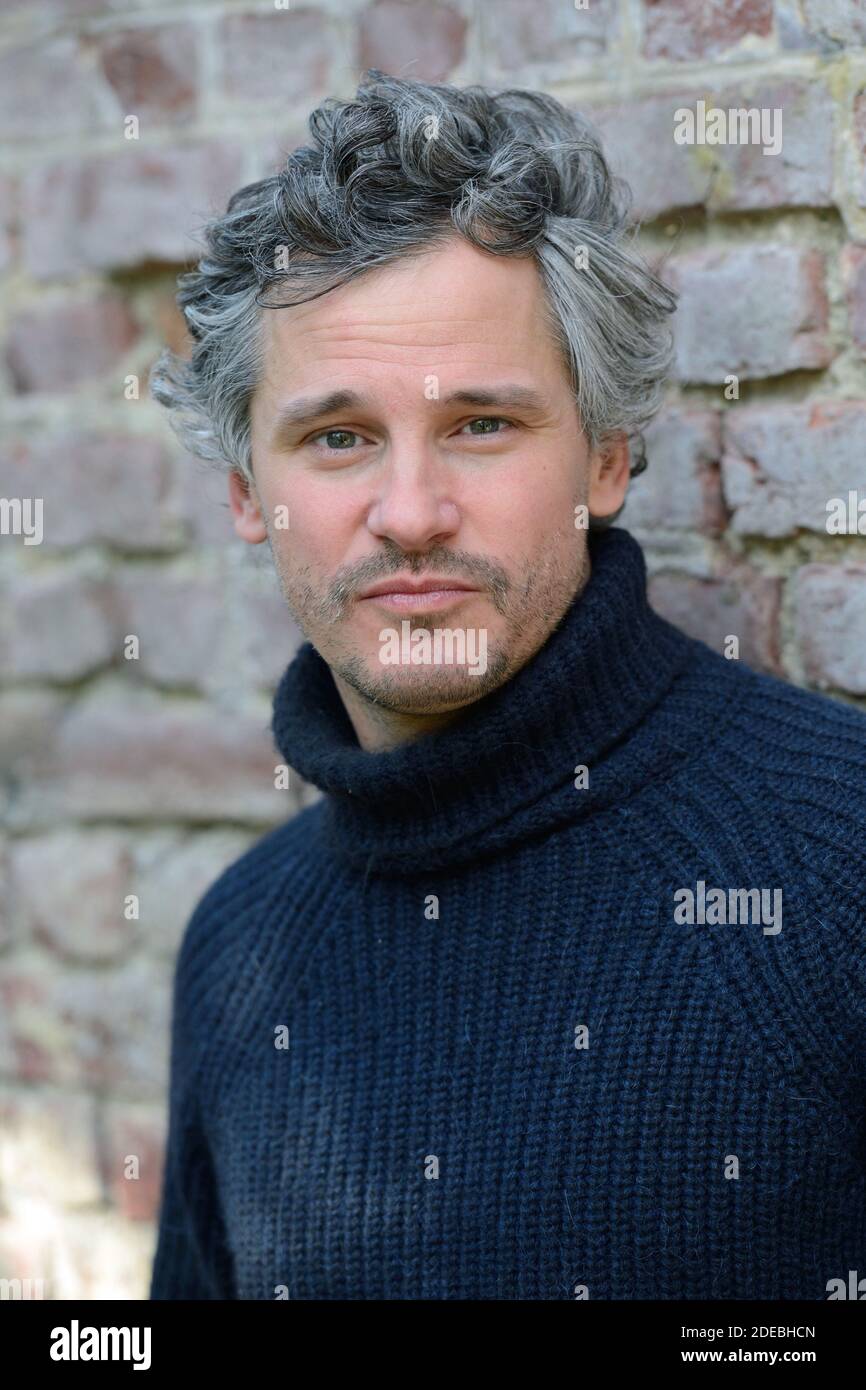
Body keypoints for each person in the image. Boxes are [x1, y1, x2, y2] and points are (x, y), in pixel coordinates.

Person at [148, 70, 866, 1300]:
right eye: (338, 437)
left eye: (481, 424)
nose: (412, 515)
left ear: (603, 456)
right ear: (244, 492)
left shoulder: (837, 858)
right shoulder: (241, 945)